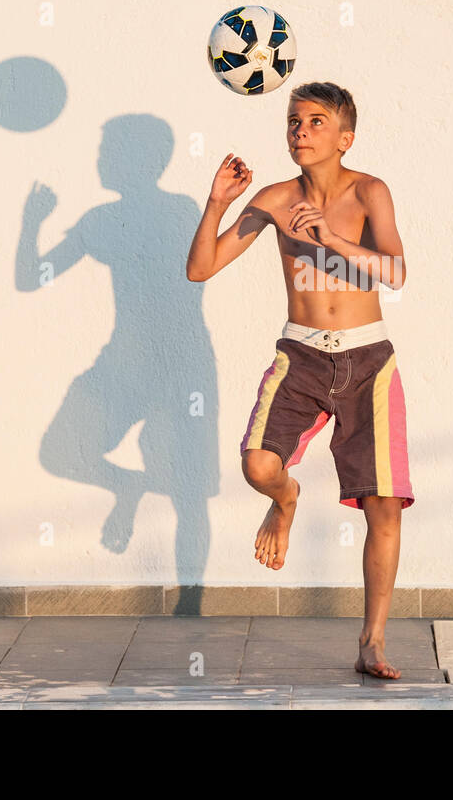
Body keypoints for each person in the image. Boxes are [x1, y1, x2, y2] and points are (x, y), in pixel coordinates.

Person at [186, 81, 413, 679]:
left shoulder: (370, 190)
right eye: (293, 121)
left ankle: (372, 642)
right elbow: (200, 268)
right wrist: (216, 202)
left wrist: (332, 239)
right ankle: (286, 502)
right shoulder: (275, 197)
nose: (300, 131)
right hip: (302, 355)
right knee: (259, 466)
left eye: (315, 122)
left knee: (384, 505)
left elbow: (396, 271)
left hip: (367, 360)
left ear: (346, 138)